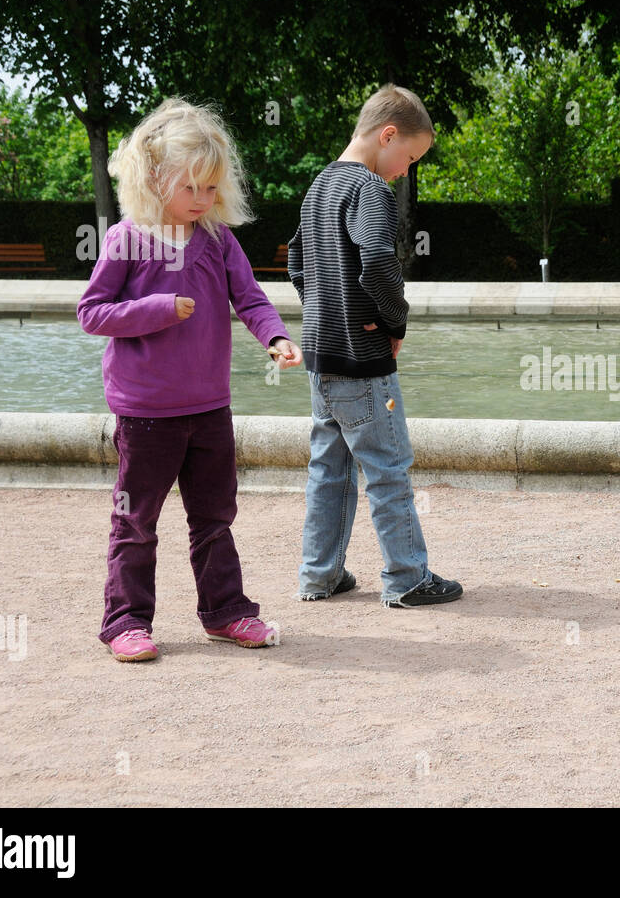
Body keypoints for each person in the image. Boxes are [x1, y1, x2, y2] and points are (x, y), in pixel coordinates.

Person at [78, 97, 303, 661]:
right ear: (155, 180)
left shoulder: (219, 239)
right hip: (146, 412)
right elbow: (92, 313)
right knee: (137, 520)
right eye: (191, 189)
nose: (203, 200)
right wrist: (156, 308)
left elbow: (250, 298)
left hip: (209, 407)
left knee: (215, 517)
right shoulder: (126, 238)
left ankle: (227, 612)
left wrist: (275, 337)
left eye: (211, 189)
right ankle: (126, 622)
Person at [288, 83, 462, 607]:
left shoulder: (318, 187)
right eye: (409, 157)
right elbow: (379, 265)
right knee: (387, 469)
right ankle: (407, 578)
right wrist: (395, 324)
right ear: (388, 135)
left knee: (328, 471)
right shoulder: (370, 191)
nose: (406, 170)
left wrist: (326, 311)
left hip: (321, 359)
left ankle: (319, 575)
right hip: (364, 362)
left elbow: (297, 264)